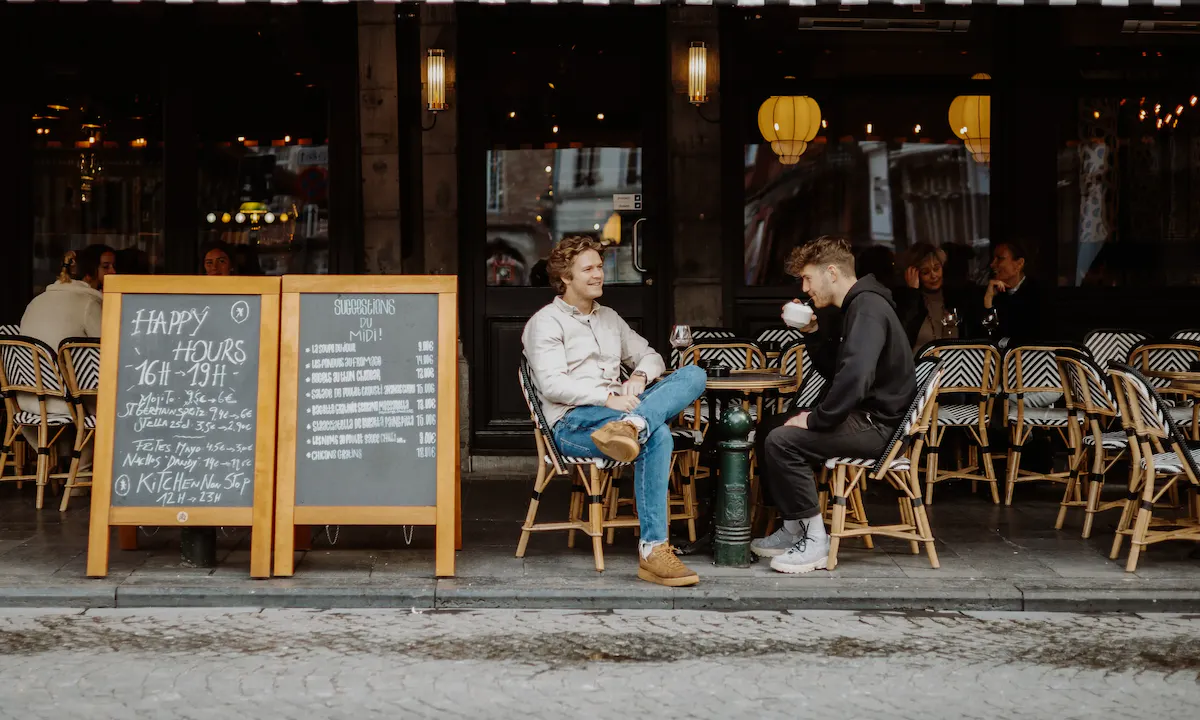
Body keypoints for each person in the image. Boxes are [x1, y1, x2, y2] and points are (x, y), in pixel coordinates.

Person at [522, 235, 707, 587]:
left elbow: (652, 356)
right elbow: (552, 386)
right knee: (660, 433)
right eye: (588, 268)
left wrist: (637, 377)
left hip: (621, 416)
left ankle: (634, 425)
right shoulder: (545, 323)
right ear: (565, 277)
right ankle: (653, 550)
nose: (598, 275)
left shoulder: (609, 318)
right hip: (572, 426)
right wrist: (608, 399)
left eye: (599, 267)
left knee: (694, 374)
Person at [751, 236, 916, 574]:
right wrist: (812, 331)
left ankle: (815, 541)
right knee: (769, 426)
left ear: (831, 272)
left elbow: (854, 378)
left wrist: (815, 420)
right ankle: (794, 526)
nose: (805, 287)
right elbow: (837, 370)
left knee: (782, 440)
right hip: (868, 419)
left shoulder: (867, 307)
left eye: (808, 278)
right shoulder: (858, 305)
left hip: (878, 427)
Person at [18, 245, 117, 474]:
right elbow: (110, 350)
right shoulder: (90, 304)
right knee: (112, 403)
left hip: (27, 402)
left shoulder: (36, 302)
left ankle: (58, 461)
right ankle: (80, 474)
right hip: (69, 404)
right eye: (106, 267)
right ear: (89, 274)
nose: (114, 271)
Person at [896, 242, 980, 352]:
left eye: (936, 268)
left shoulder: (956, 298)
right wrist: (912, 294)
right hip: (920, 367)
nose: (933, 275)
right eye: (925, 272)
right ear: (915, 274)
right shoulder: (908, 302)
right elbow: (901, 339)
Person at [984, 240, 1044, 343]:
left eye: (999, 259)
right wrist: (988, 299)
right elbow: (984, 335)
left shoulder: (1038, 294)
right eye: (993, 259)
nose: (992, 264)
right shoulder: (995, 293)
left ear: (1019, 264)